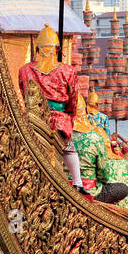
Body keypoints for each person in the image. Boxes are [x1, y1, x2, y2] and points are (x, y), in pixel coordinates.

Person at [18, 25, 83, 189]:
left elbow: (23, 92)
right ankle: (77, 182)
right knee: (69, 147)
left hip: (33, 118)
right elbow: (73, 100)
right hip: (59, 119)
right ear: (57, 49)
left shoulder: (25, 70)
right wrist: (68, 116)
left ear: (38, 49)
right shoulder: (68, 71)